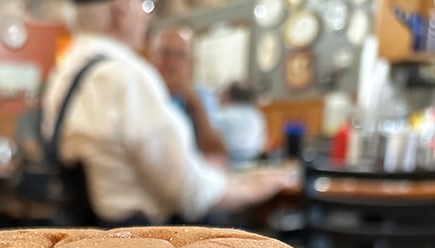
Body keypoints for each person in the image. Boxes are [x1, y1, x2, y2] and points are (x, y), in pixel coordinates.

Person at [40, 0, 292, 228]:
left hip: (91, 243)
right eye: (145, 5)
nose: (147, 17)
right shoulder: (125, 76)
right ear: (122, 9)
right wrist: (255, 187)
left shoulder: (63, 75)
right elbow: (188, 192)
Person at [147, 26, 226, 160]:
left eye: (180, 56)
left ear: (191, 62)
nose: (172, 63)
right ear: (151, 58)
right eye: (166, 54)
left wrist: (193, 100)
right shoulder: (141, 92)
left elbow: (217, 152)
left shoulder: (202, 96)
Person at [213, 81, 269, 165]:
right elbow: (262, 143)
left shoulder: (222, 115)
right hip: (253, 163)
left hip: (227, 164)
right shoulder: (257, 115)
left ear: (228, 96)